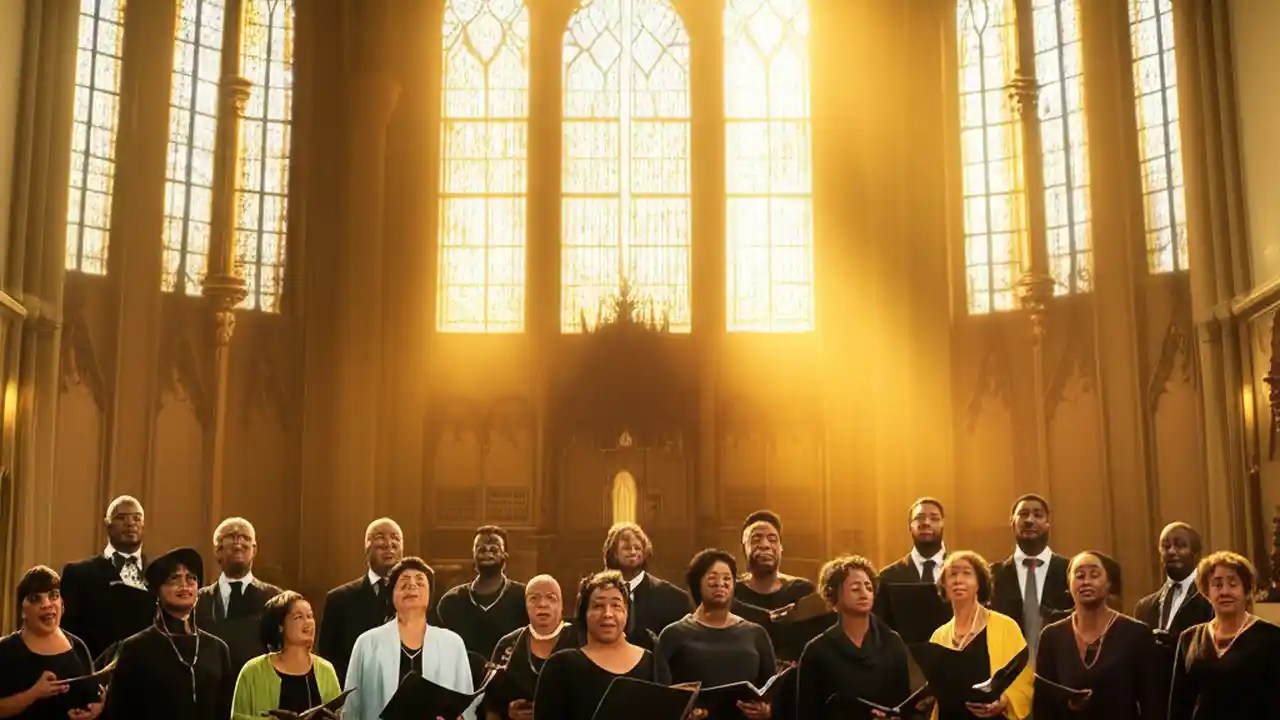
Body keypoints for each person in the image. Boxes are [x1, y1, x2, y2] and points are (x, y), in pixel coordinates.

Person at [102, 547, 234, 719]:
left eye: (191, 579)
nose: (184, 586)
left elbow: (225, 711)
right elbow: (120, 711)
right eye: (174, 579)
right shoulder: (136, 648)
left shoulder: (218, 648)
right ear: (158, 590)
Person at [1032, 552, 1164, 720]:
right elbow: (1042, 705)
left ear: (1108, 583)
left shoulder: (1136, 634)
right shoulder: (1051, 637)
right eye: (1079, 575)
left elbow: (1152, 704)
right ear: (1069, 585)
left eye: (1094, 575)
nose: (1086, 581)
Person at [343, 557, 474, 720]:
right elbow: (351, 707)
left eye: (420, 582)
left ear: (429, 596)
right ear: (392, 595)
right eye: (404, 583)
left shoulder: (453, 644)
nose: (412, 585)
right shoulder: (367, 643)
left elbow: (467, 707)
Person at [655, 549, 775, 719]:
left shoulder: (756, 634)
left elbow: (774, 696)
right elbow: (659, 700)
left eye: (727, 578)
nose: (720, 583)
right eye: (712, 578)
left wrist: (767, 711)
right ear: (698, 583)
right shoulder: (673, 635)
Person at [796, 555, 912, 720]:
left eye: (868, 587)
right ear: (833, 595)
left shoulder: (892, 643)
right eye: (855, 589)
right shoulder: (817, 651)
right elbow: (806, 713)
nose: (864, 593)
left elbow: (904, 707)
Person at [1167, 551, 1280, 720]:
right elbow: (1179, 706)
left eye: (1233, 584)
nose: (1225, 592)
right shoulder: (1189, 638)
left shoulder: (1271, 638)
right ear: (1207, 591)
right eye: (1217, 585)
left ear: (1247, 590)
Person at [533, 571, 656, 720]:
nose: (608, 614)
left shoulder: (650, 662)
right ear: (584, 613)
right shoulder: (560, 666)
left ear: (627, 613)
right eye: (598, 605)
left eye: (616, 605)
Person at [927, 551, 1032, 720]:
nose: (958, 580)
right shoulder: (938, 636)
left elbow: (1024, 681)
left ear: (979, 583)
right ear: (944, 586)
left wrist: (1004, 701)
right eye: (952, 574)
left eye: (967, 573)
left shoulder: (1006, 626)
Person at [0, 566, 102, 720]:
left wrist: (96, 709)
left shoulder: (78, 647)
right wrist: (33, 694)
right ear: (22, 610)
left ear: (62, 603)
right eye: (35, 599)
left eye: (53, 596)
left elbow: (90, 697)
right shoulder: (5, 651)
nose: (47, 604)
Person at [59, 495, 151, 662]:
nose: (130, 523)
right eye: (121, 518)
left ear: (143, 525)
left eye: (137, 518)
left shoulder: (158, 575)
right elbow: (67, 636)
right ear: (108, 525)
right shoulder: (79, 574)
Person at [317, 517, 404, 684]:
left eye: (395, 538)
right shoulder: (339, 599)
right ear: (366, 546)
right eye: (380, 537)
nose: (388, 544)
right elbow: (327, 659)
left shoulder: (417, 599)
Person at [1131, 522, 1212, 701]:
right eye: (1166, 546)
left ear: (1196, 552)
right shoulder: (1144, 607)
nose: (1172, 551)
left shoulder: (1210, 601)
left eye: (1180, 545)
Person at [231, 591, 342, 719]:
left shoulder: (326, 670)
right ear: (280, 626)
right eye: (298, 617)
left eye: (310, 616)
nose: (308, 622)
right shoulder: (253, 671)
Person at [196, 517, 284, 675]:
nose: (238, 543)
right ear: (217, 550)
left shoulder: (276, 599)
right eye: (231, 536)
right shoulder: (198, 600)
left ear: (254, 550)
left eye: (245, 538)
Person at [484, 575, 578, 720]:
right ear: (525, 605)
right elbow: (491, 706)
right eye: (534, 598)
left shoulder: (579, 640)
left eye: (551, 598)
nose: (542, 604)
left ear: (561, 605)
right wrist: (507, 711)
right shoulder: (507, 644)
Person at [990, 495, 1072, 652]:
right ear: (1012, 522)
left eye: (1038, 515)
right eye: (1023, 514)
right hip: (1007, 667)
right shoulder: (993, 575)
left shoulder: (1070, 572)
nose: (1029, 520)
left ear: (1048, 523)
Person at [733, 510, 819, 660]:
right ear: (744, 547)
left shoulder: (802, 590)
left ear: (781, 547)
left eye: (772, 539)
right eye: (756, 539)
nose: (765, 545)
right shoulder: (732, 593)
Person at [433, 526, 528, 660]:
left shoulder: (523, 598)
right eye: (482, 549)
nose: (488, 554)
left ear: (505, 556)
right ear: (473, 555)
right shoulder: (451, 602)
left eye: (494, 550)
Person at [597, 522, 692, 649]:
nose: (633, 552)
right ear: (613, 553)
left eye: (637, 548)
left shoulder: (673, 598)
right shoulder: (594, 593)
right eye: (626, 548)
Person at [875, 498, 953, 644]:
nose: (926, 523)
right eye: (919, 518)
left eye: (934, 518)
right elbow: (880, 628)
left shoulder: (962, 573)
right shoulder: (888, 577)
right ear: (909, 526)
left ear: (943, 524)